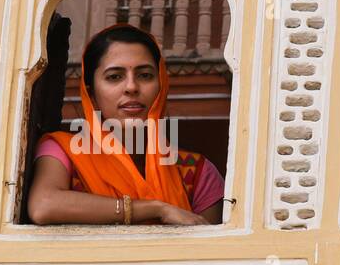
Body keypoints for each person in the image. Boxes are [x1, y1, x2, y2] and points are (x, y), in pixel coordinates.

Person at [26, 24, 224, 226]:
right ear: (91, 93)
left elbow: (208, 254)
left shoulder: (196, 172)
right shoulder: (64, 152)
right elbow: (43, 206)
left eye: (145, 75)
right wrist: (157, 208)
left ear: (162, 85)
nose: (131, 87)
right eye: (114, 77)